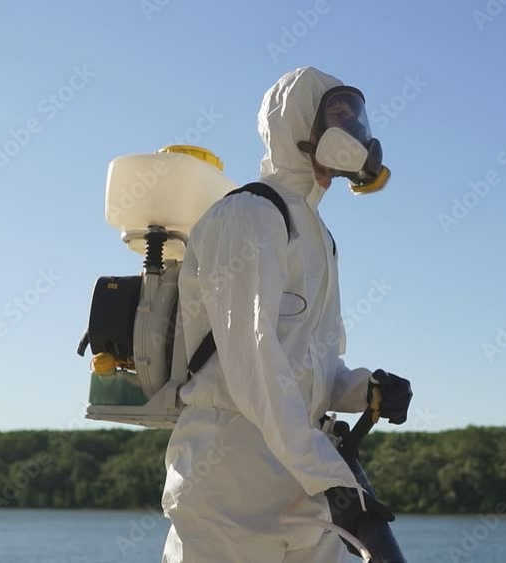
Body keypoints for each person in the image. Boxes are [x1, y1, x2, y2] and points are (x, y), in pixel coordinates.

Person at [161, 66, 412, 563]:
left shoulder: (320, 236)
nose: (352, 129)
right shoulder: (250, 214)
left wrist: (363, 389)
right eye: (337, 114)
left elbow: (312, 367)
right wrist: (329, 477)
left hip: (305, 489)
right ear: (298, 123)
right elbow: (252, 364)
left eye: (355, 117)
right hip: (229, 489)